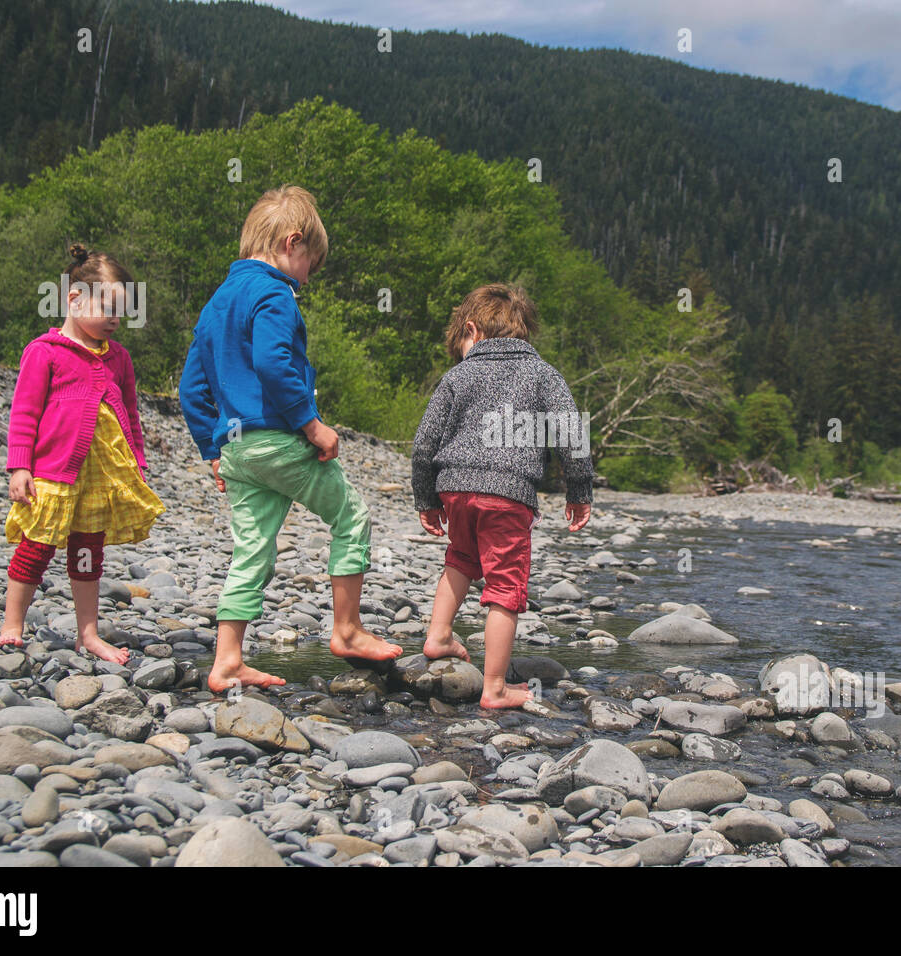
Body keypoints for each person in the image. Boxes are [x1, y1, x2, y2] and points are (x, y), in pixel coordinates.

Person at [180, 184, 400, 694]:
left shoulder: (217, 303)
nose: (307, 279)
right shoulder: (274, 292)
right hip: (280, 439)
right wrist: (311, 424)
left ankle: (228, 660)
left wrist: (213, 451)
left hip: (237, 450)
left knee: (251, 551)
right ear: (291, 243)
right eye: (311, 266)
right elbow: (273, 364)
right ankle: (346, 630)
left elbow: (192, 387)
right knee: (351, 516)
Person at [412, 283, 593, 709]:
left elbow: (424, 443)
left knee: (460, 557)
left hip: (455, 487)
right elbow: (571, 435)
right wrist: (579, 488)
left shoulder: (458, 375)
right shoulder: (544, 374)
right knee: (505, 584)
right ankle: (494, 686)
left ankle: (438, 636)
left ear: (471, 330)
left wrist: (426, 498)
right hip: (509, 494)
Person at [0, 244, 165, 663]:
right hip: (53, 473)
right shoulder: (45, 352)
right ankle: (12, 625)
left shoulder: (119, 359)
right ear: (73, 298)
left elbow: (129, 414)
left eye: (122, 312)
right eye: (107, 308)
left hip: (99, 480)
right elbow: (24, 413)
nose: (115, 320)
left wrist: (138, 464)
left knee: (87, 554)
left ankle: (87, 634)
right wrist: (19, 466)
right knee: (36, 546)